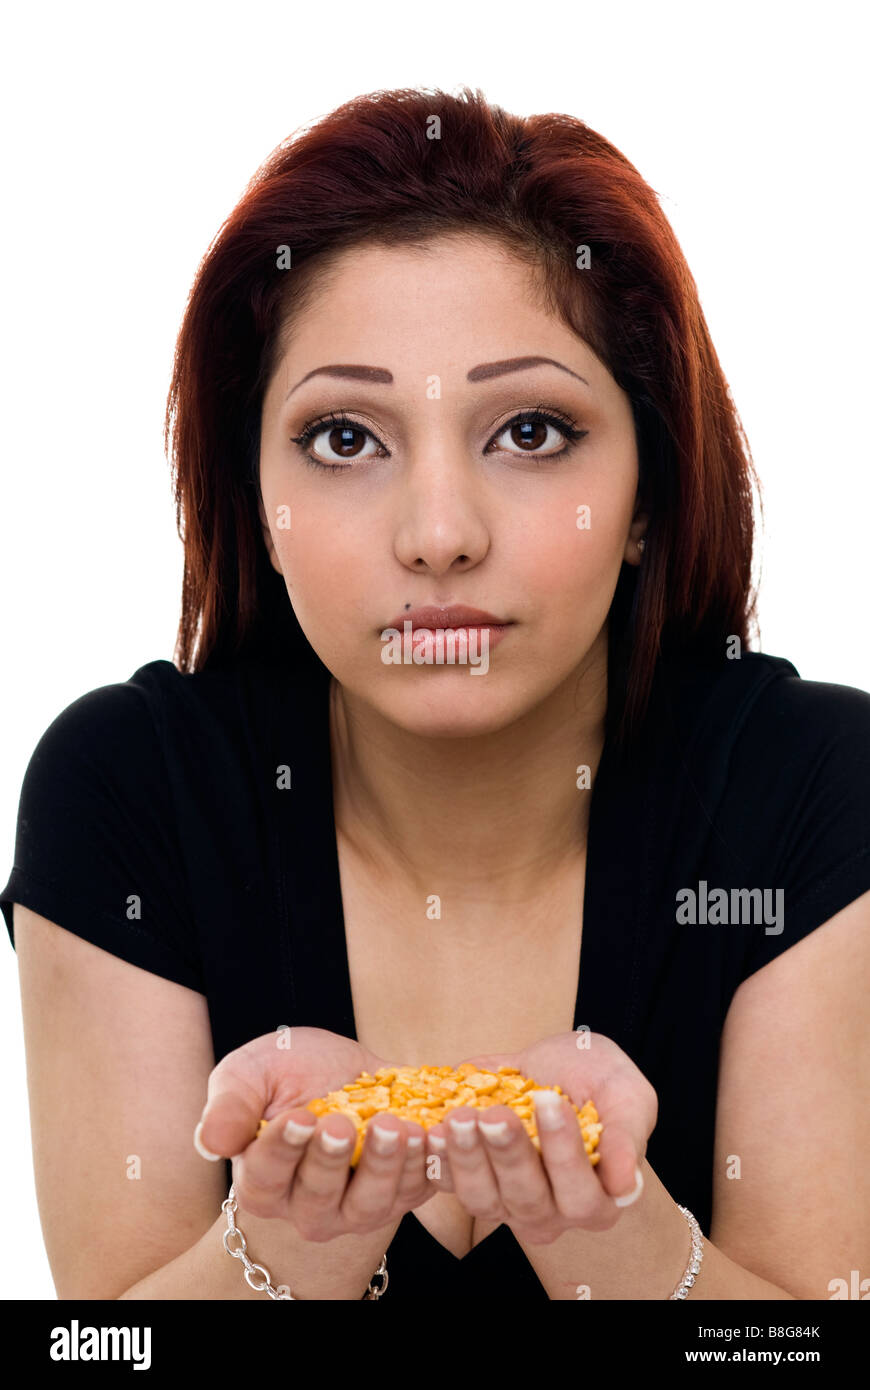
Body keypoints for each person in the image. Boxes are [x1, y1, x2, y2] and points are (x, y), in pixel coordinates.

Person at [2, 85, 869, 1302]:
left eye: (529, 430)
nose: (441, 534)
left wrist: (616, 1240)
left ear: (649, 494)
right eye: (346, 438)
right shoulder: (129, 792)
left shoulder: (814, 790)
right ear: (259, 500)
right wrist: (285, 1254)